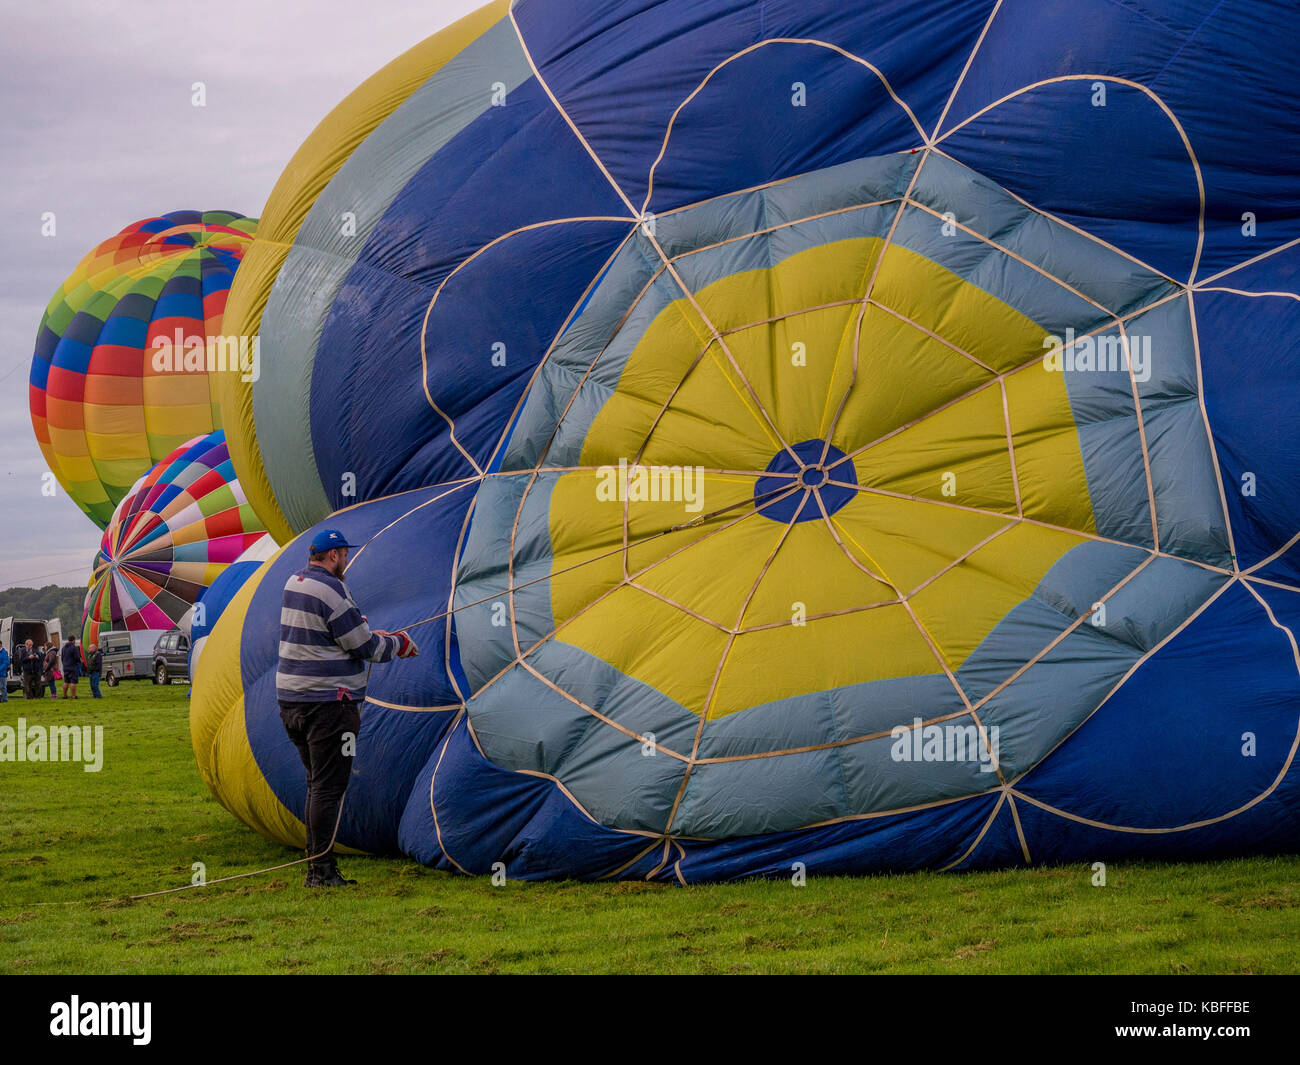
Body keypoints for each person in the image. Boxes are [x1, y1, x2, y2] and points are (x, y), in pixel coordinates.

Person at [277, 528, 419, 888]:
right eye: (344, 554)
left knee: (316, 784)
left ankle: (317, 867)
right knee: (328, 787)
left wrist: (364, 633)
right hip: (328, 705)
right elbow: (363, 647)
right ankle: (321, 872)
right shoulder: (333, 589)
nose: (346, 561)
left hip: (291, 701)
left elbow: (331, 633)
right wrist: (398, 644)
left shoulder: (294, 583)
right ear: (334, 555)